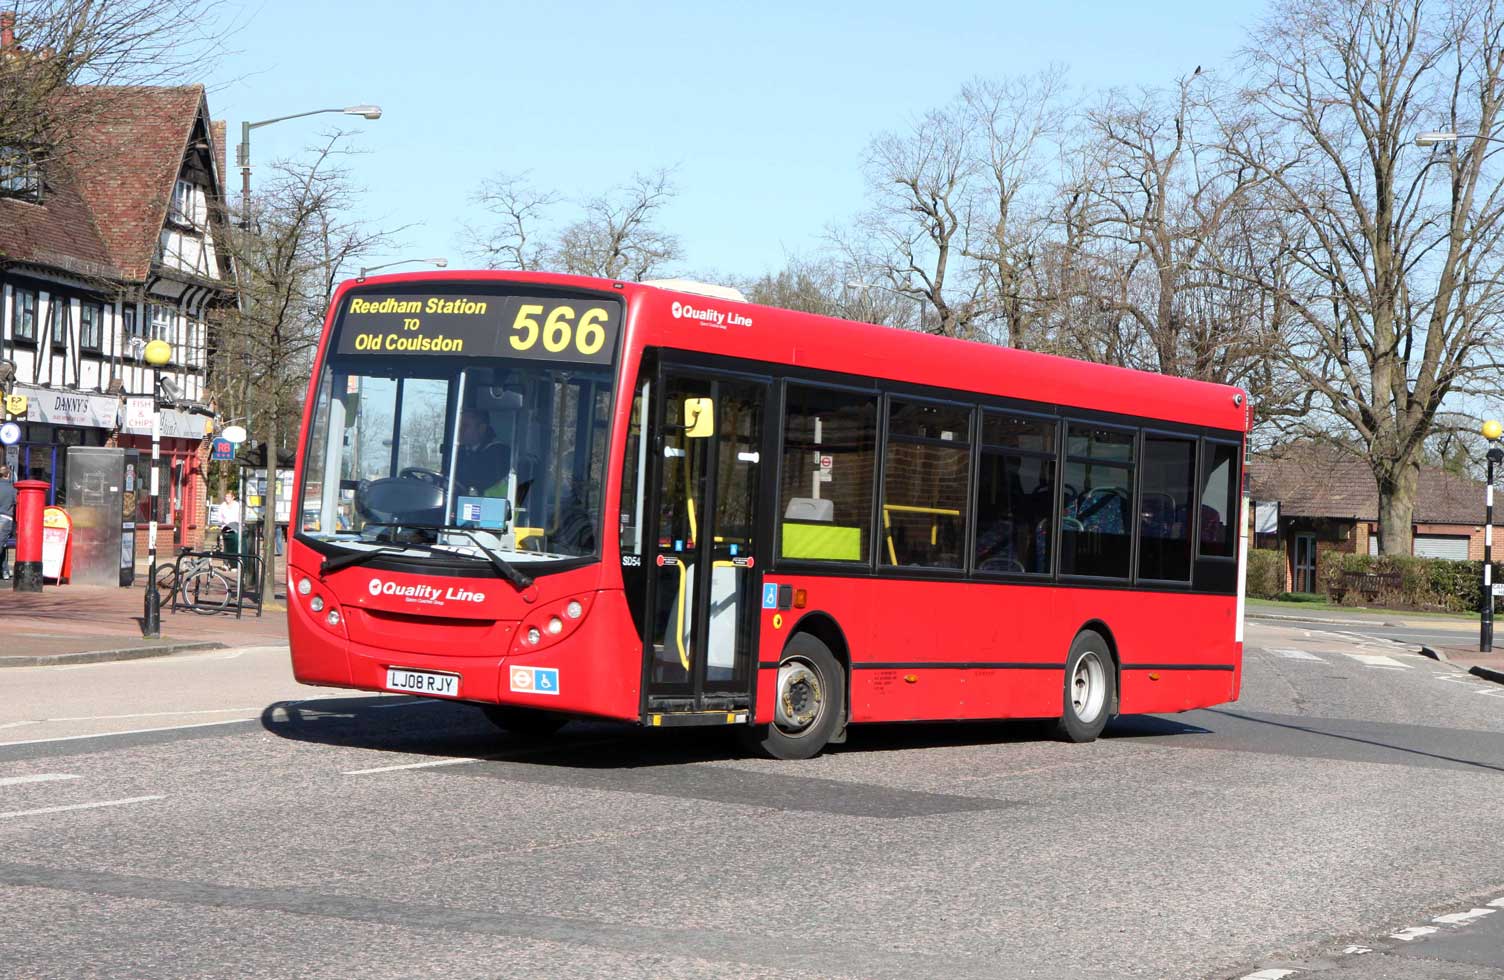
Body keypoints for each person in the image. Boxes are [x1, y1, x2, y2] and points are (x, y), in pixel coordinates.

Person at [454, 408, 510, 496]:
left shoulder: (498, 453)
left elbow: (479, 482)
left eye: (465, 426)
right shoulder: (460, 451)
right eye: (459, 426)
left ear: (482, 428)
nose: (460, 430)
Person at [216, 489, 243, 554]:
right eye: (226, 497)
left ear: (233, 497)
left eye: (228, 497)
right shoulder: (223, 505)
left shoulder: (237, 505)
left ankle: (234, 558)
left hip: (235, 527)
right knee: (226, 545)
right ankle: (225, 561)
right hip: (225, 527)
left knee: (234, 544)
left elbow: (240, 516)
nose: (227, 498)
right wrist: (221, 523)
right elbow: (219, 516)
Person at [0, 464, 14, 580]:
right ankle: (4, 571)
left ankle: (4, 571)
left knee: (3, 545)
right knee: (1, 544)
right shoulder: (12, 489)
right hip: (5, 518)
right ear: (8, 474)